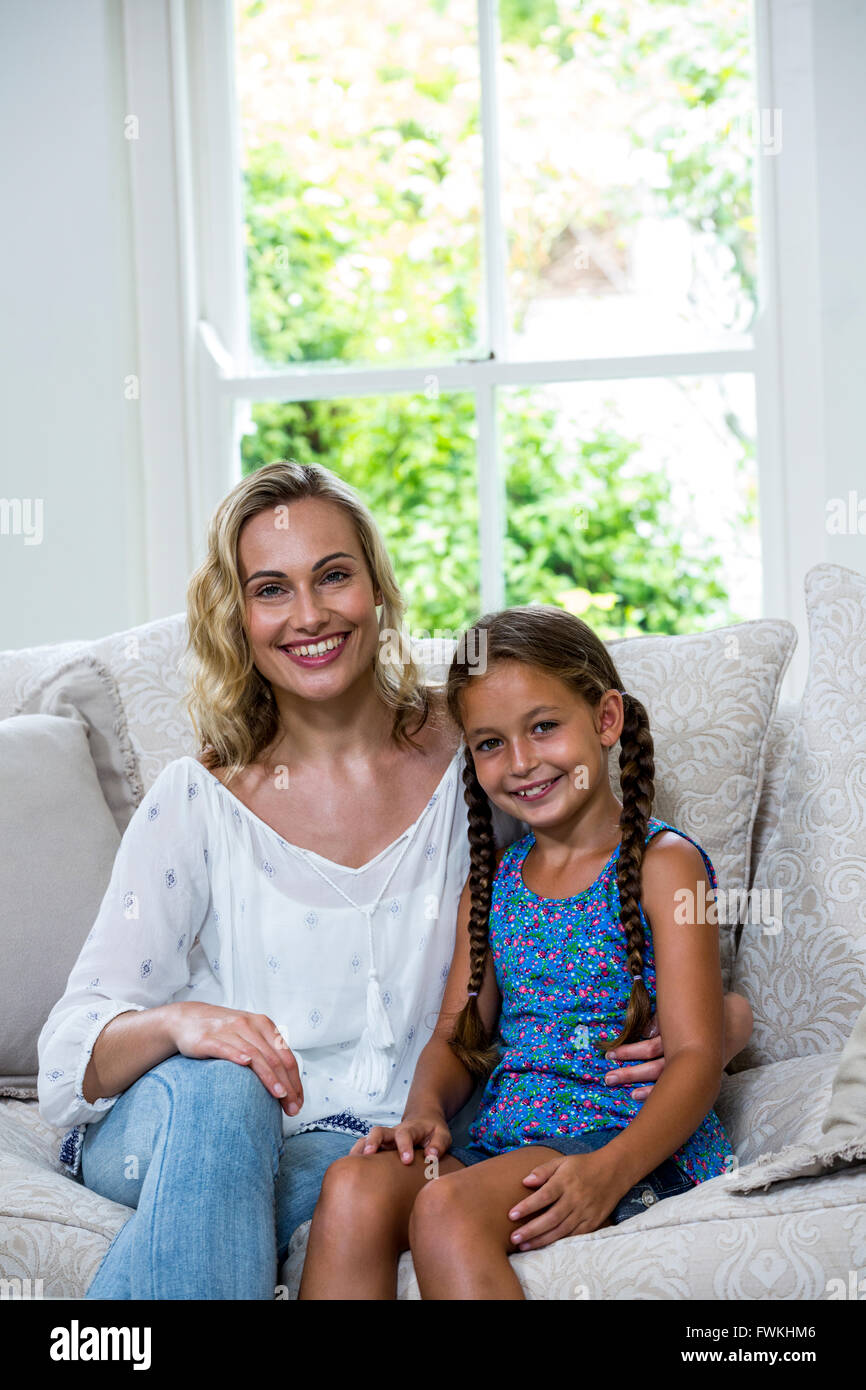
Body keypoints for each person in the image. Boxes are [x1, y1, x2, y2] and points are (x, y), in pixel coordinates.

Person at [37, 462, 751, 1300]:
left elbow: (595, 903)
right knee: (230, 1094)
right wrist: (183, 1023)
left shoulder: (479, 767)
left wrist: (718, 1028)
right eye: (271, 589)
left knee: (352, 1184)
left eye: (333, 575)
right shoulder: (198, 802)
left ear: (376, 588)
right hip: (179, 1124)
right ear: (239, 617)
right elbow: (64, 1062)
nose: (308, 615)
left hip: (363, 1145)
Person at [299, 605, 750, 1301]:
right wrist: (424, 1110)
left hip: (617, 1143)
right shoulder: (493, 885)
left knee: (445, 1209)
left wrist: (610, 1171)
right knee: (354, 1184)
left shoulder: (666, 866)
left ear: (606, 720)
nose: (521, 763)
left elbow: (696, 1055)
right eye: (489, 743)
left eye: (544, 727)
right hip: (504, 1145)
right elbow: (458, 1033)